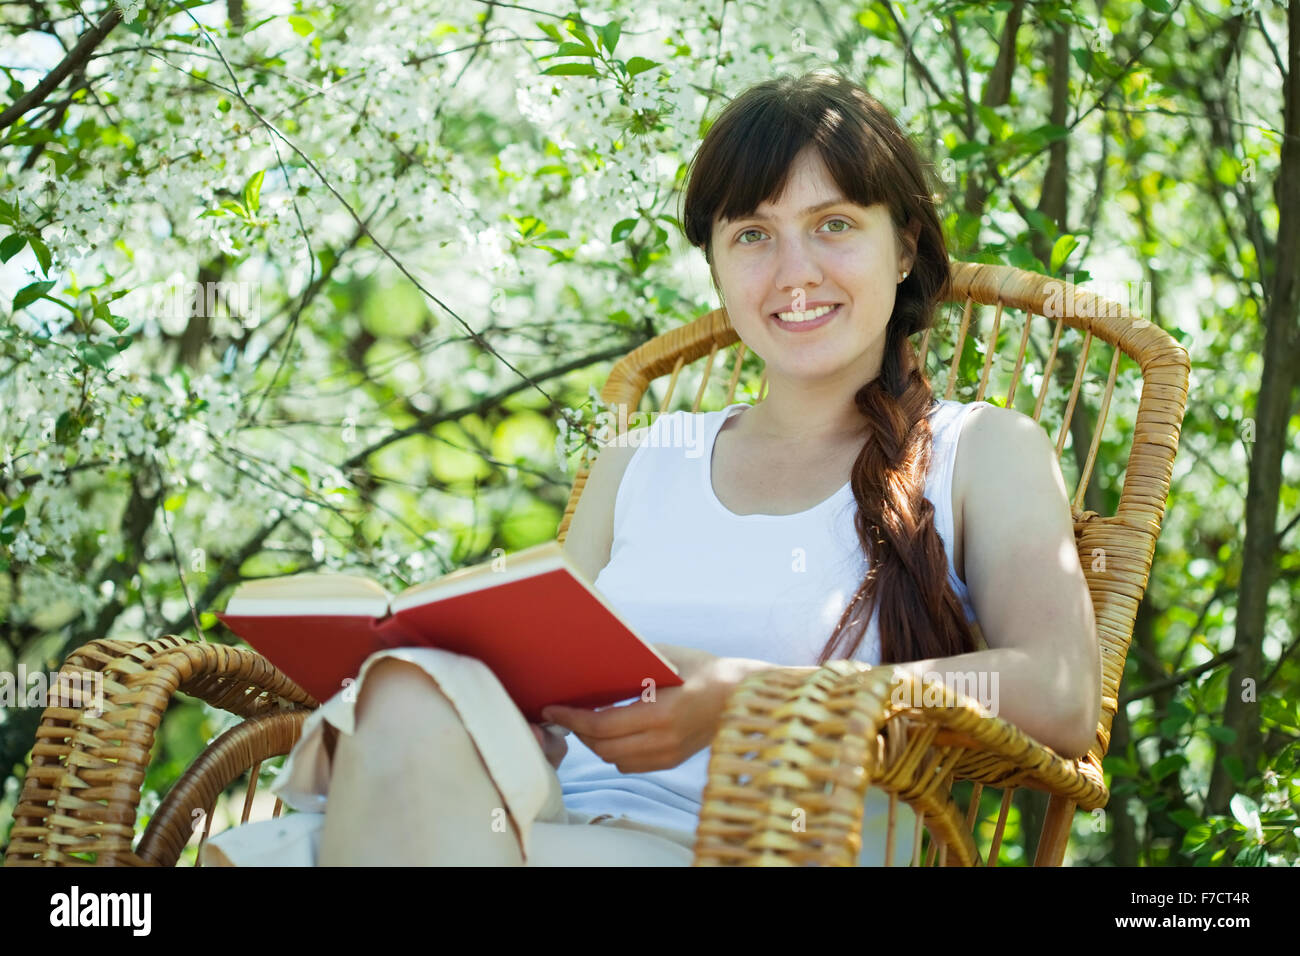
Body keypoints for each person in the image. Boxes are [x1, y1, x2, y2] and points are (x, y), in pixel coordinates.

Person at [201, 68, 1100, 867]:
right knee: (406, 689)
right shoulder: (644, 459)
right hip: (523, 824)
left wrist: (744, 695)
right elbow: (541, 673)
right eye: (752, 234)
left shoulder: (978, 450)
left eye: (832, 226)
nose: (795, 272)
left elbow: (1061, 695)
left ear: (903, 248)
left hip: (738, 845)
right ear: (715, 261)